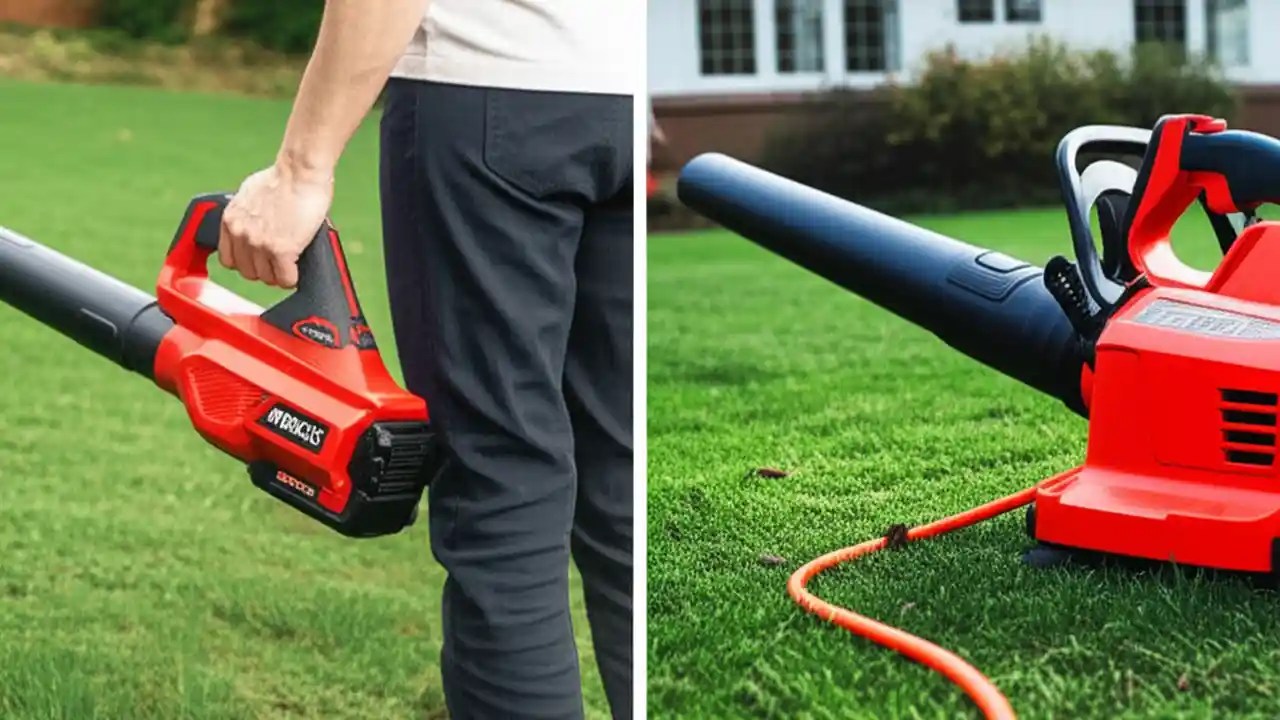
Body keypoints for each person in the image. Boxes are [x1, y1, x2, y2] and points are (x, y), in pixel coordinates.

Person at [214, 2, 635, 719]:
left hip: (490, 96)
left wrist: (301, 167)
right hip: (628, 95)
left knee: (502, 480)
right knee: (622, 476)